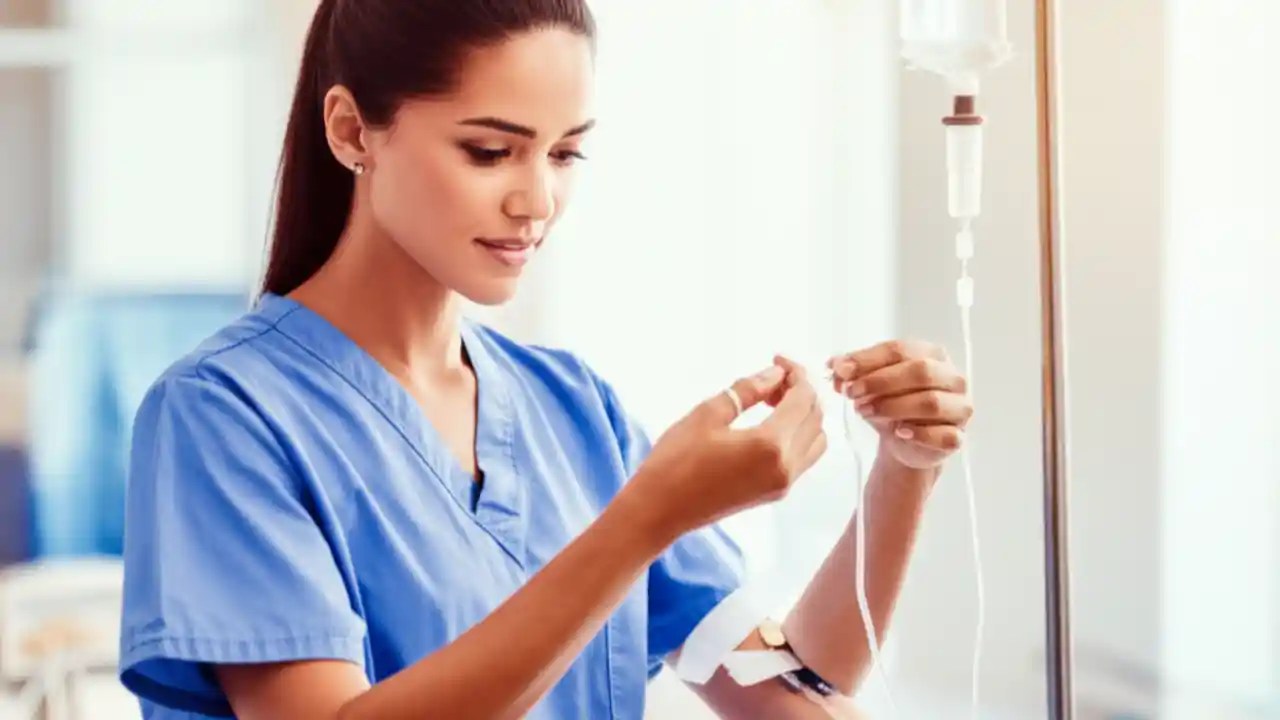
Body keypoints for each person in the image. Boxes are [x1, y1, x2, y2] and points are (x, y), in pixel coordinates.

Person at [116, 1, 974, 718]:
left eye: (564, 153)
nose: (537, 201)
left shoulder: (573, 410)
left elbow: (791, 692)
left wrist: (904, 469)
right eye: (490, 151)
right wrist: (643, 523)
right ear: (351, 131)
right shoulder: (223, 414)